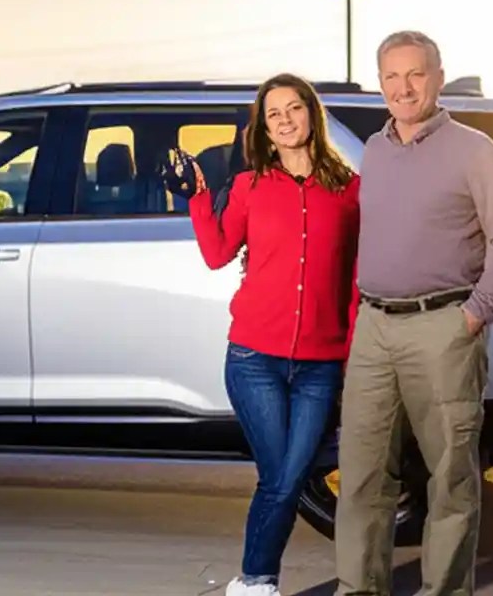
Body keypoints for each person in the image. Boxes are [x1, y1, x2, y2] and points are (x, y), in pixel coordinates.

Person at [333, 31, 493, 596]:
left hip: (443, 327)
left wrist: (473, 315)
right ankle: (358, 589)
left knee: (449, 480)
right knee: (363, 476)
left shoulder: (474, 150)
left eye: (415, 74)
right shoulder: (375, 150)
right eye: (392, 76)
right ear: (380, 84)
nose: (404, 87)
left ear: (438, 78)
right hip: (374, 329)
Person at [186, 73, 361, 596]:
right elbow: (218, 253)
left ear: (312, 113)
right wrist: (197, 199)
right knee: (282, 479)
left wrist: (349, 353)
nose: (285, 120)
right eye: (273, 114)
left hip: (321, 364)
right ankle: (257, 581)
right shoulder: (249, 186)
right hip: (252, 360)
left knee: (290, 476)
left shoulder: (350, 191)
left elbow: (354, 278)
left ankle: (252, 581)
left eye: (293, 109)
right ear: (262, 128)